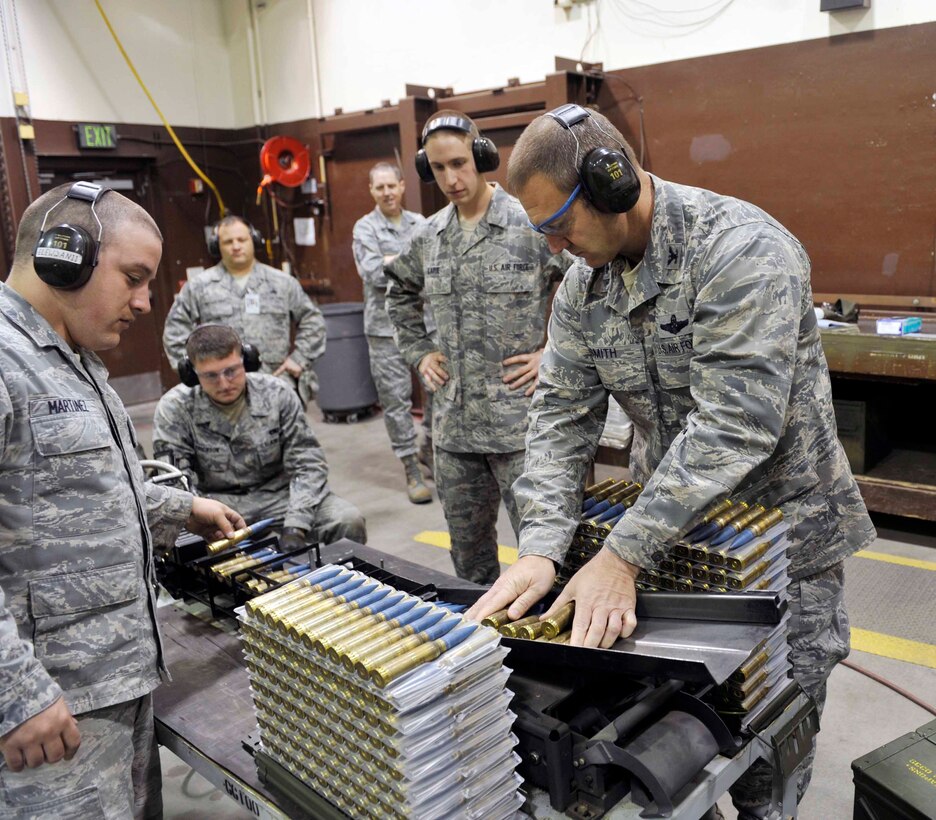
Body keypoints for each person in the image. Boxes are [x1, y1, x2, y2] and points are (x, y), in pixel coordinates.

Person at [467, 104, 876, 818]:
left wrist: (620, 556)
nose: (557, 247)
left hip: (783, 544)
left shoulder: (741, 251)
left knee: (770, 736)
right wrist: (540, 547)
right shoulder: (583, 288)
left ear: (613, 185)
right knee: (683, 738)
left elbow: (735, 424)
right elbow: (561, 417)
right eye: (542, 233)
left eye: (560, 224)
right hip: (675, 539)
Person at [0, 182, 245, 818]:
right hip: (48, 711)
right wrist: (15, 695)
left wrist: (178, 509)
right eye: (133, 278)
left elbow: (76, 488)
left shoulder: (72, 360)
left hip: (111, 685)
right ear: (64, 257)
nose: (143, 302)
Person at [385, 111, 572, 585]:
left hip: (522, 429)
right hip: (454, 432)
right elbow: (398, 292)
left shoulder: (528, 224)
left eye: (459, 163)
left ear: (482, 157)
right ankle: (481, 631)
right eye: (438, 168)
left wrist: (553, 353)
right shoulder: (428, 237)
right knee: (469, 564)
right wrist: (420, 351)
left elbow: (591, 281)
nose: (451, 179)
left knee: (546, 555)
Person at [153, 324, 367, 550]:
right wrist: (207, 520)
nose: (224, 383)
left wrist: (296, 525)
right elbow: (174, 481)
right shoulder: (174, 408)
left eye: (231, 371)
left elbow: (309, 464)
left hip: (280, 496)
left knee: (347, 520)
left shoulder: (277, 394)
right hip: (216, 502)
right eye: (210, 376)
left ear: (246, 361)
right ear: (191, 374)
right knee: (175, 542)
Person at [162, 214, 326, 402]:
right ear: (216, 246)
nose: (236, 246)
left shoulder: (282, 283)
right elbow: (174, 331)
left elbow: (313, 321)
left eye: (242, 240)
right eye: (228, 242)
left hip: (276, 383)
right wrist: (196, 371)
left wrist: (299, 359)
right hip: (222, 389)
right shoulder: (199, 287)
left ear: (254, 240)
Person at [352, 162, 433, 504]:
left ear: (402, 185)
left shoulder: (420, 223)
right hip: (385, 330)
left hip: (426, 325)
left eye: (391, 185)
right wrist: (412, 262)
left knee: (438, 391)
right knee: (396, 401)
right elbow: (372, 272)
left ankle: (429, 448)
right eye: (379, 187)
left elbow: (434, 264)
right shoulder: (365, 228)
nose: (386, 192)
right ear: (372, 190)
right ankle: (411, 468)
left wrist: (392, 260)